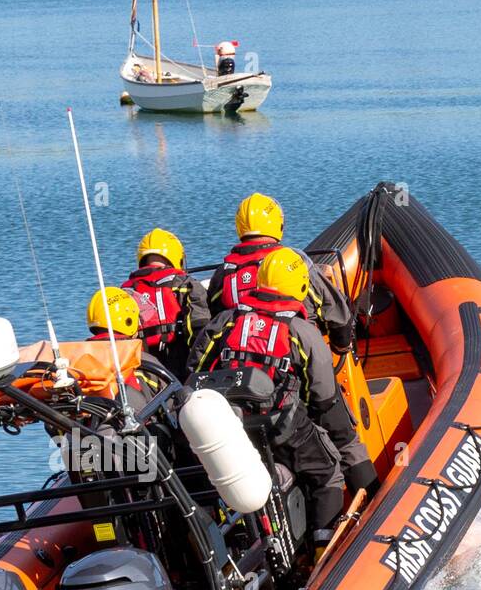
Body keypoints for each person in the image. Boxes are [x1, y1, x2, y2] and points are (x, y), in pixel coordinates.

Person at [187, 251, 345, 547]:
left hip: (232, 430)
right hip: (285, 428)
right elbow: (323, 396)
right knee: (327, 474)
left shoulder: (224, 322)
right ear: (299, 287)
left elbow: (195, 371)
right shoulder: (301, 331)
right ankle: (324, 548)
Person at [209, 193, 355, 353]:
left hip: (240, 362)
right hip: (295, 357)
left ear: (239, 226)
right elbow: (337, 315)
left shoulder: (224, 273)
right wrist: (341, 345)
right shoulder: (296, 262)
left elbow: (214, 321)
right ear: (278, 224)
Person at [121, 228, 210, 380]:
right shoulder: (186, 285)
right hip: (178, 374)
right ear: (177, 257)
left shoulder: (124, 293)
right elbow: (201, 334)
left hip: (140, 375)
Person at [85, 287, 170, 400]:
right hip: (132, 415)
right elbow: (171, 401)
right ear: (128, 321)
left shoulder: (78, 357)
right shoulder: (141, 360)